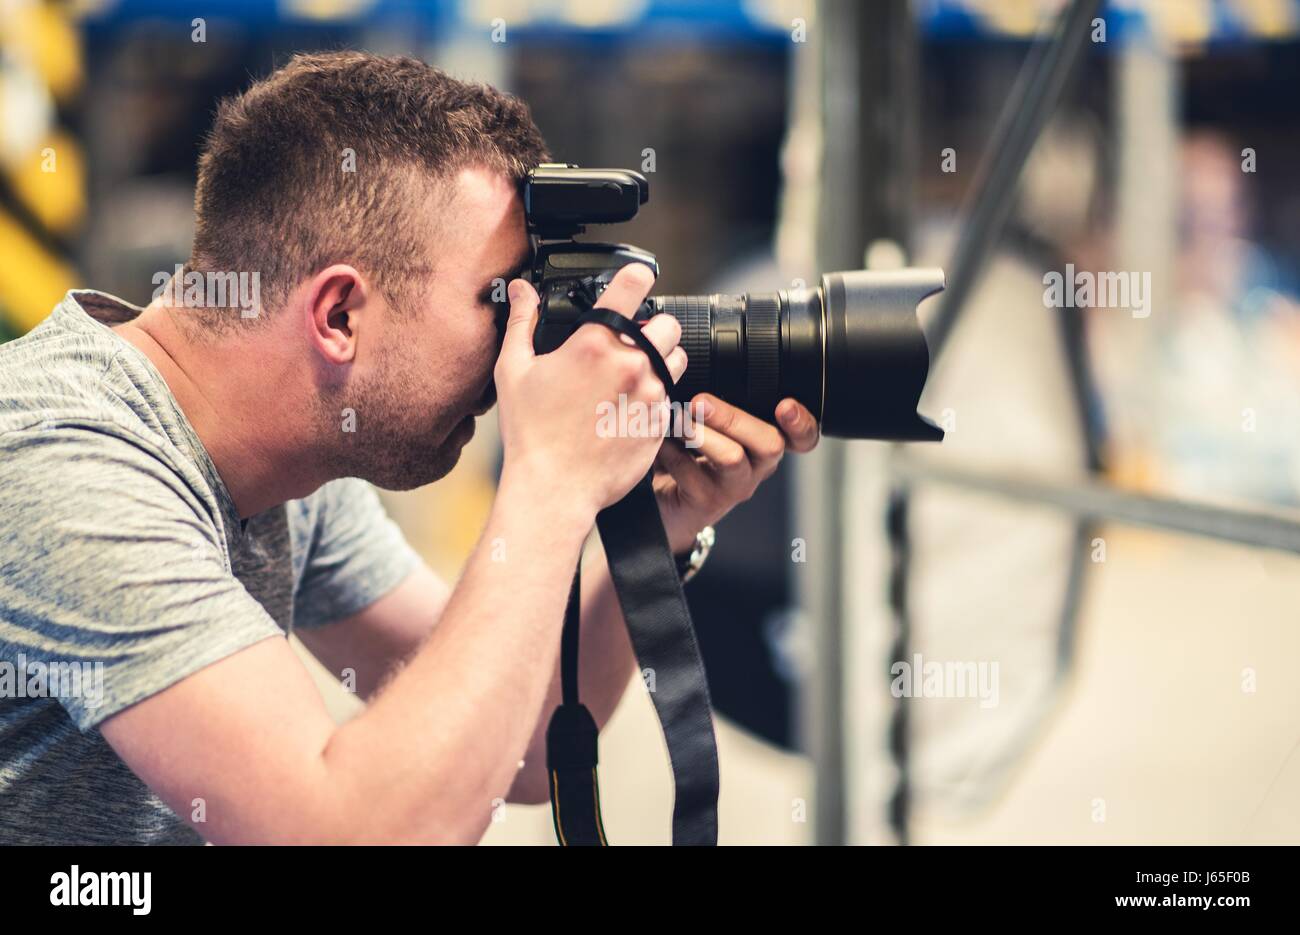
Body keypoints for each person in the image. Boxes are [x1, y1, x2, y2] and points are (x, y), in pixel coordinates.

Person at [0, 51, 818, 845]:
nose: (515, 357)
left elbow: (526, 743)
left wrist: (659, 522)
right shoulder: (65, 465)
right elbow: (357, 830)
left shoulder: (292, 462)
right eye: (500, 304)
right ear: (340, 316)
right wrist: (549, 482)